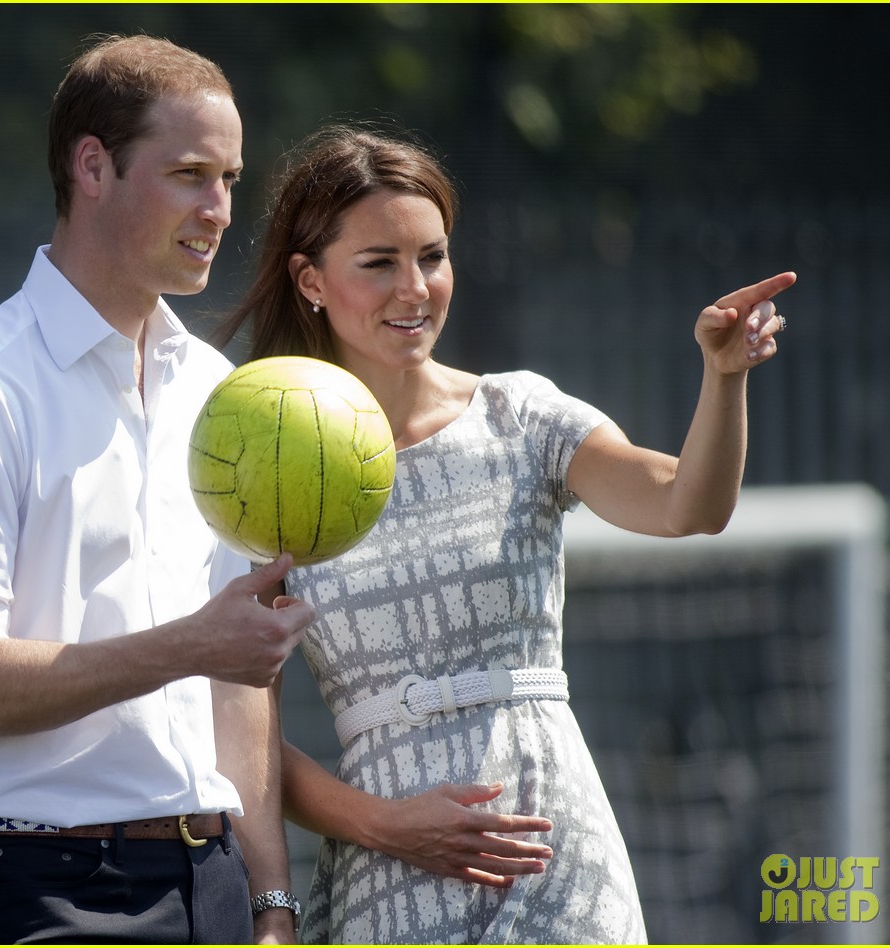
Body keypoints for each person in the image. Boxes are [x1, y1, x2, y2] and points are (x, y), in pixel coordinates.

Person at [216, 124, 795, 944]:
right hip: (390, 879)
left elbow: (687, 505)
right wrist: (385, 825)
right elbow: (244, 728)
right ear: (310, 280)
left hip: (558, 859)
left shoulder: (520, 415)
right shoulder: (268, 461)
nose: (414, 289)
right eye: (379, 263)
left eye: (433, 256)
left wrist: (723, 377)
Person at [0, 34, 315, 944]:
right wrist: (189, 644)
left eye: (231, 179)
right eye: (191, 173)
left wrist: (272, 904)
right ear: (92, 166)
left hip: (219, 883)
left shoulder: (213, 390)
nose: (220, 210)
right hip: (45, 888)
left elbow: (234, 677)